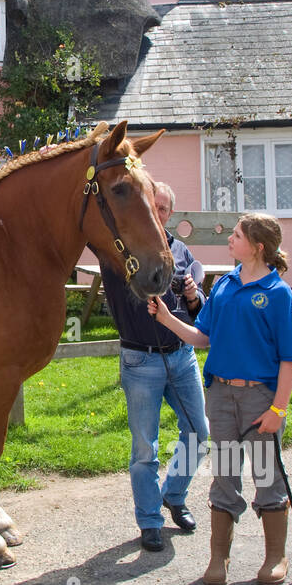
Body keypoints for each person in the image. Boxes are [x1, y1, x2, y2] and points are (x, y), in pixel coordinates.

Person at [148, 212, 292, 585]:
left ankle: (275, 557)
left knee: (266, 476)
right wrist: (168, 319)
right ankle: (219, 559)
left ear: (258, 246)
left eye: (236, 235)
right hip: (221, 396)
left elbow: (290, 358)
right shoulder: (225, 286)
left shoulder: (279, 295)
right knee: (225, 476)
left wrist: (278, 409)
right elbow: (203, 338)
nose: (230, 239)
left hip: (260, 400)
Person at [99, 181, 208, 553]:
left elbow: (199, 316)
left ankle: (173, 495)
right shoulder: (119, 252)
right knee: (145, 449)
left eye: (163, 209)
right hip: (140, 359)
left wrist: (195, 297)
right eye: (153, 207)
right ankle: (149, 520)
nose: (158, 214)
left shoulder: (181, 251)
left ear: (170, 214)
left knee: (198, 432)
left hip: (181, 356)